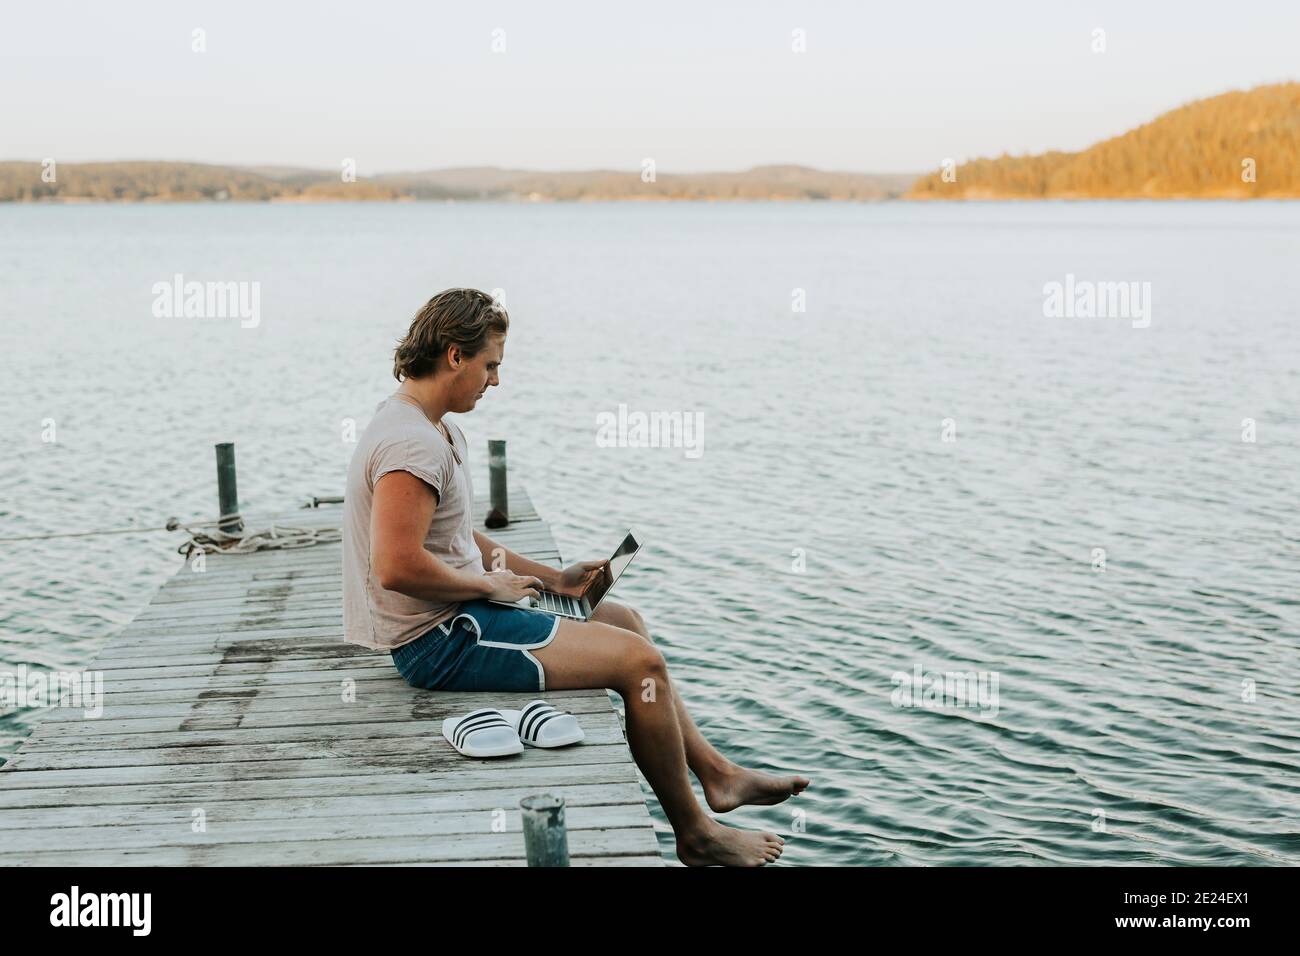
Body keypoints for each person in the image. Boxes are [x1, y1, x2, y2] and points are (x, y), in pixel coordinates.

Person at [342, 288, 809, 866]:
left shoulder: (431, 427)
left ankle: (717, 775)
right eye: (491, 365)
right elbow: (396, 567)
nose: (495, 381)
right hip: (437, 641)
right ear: (456, 356)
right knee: (639, 663)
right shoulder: (410, 444)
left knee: (624, 620)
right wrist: (490, 587)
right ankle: (696, 832)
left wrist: (554, 580)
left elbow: (454, 538)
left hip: (458, 617)